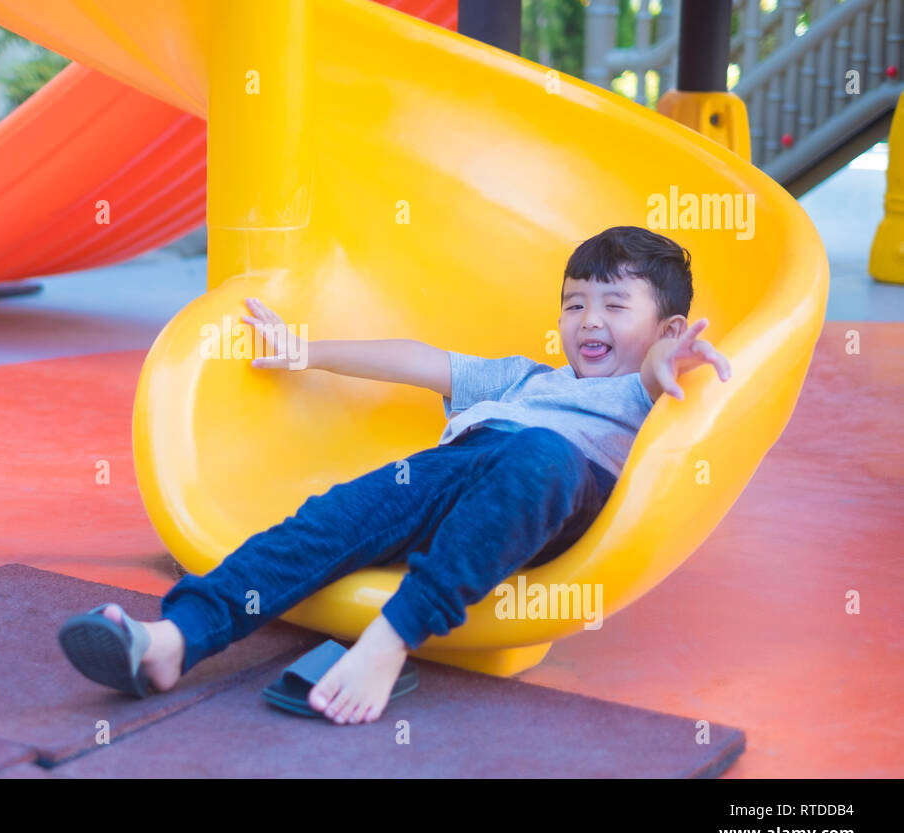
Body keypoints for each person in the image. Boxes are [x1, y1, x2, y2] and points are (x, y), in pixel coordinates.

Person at [60, 225, 732, 725]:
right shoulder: (527, 379)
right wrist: (306, 352)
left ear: (665, 328)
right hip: (449, 474)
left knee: (538, 453)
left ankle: (390, 640)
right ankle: (174, 639)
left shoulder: (642, 391)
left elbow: (656, 374)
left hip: (547, 492)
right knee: (329, 520)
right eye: (574, 304)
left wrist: (667, 360)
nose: (588, 320)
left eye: (615, 305)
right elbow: (420, 360)